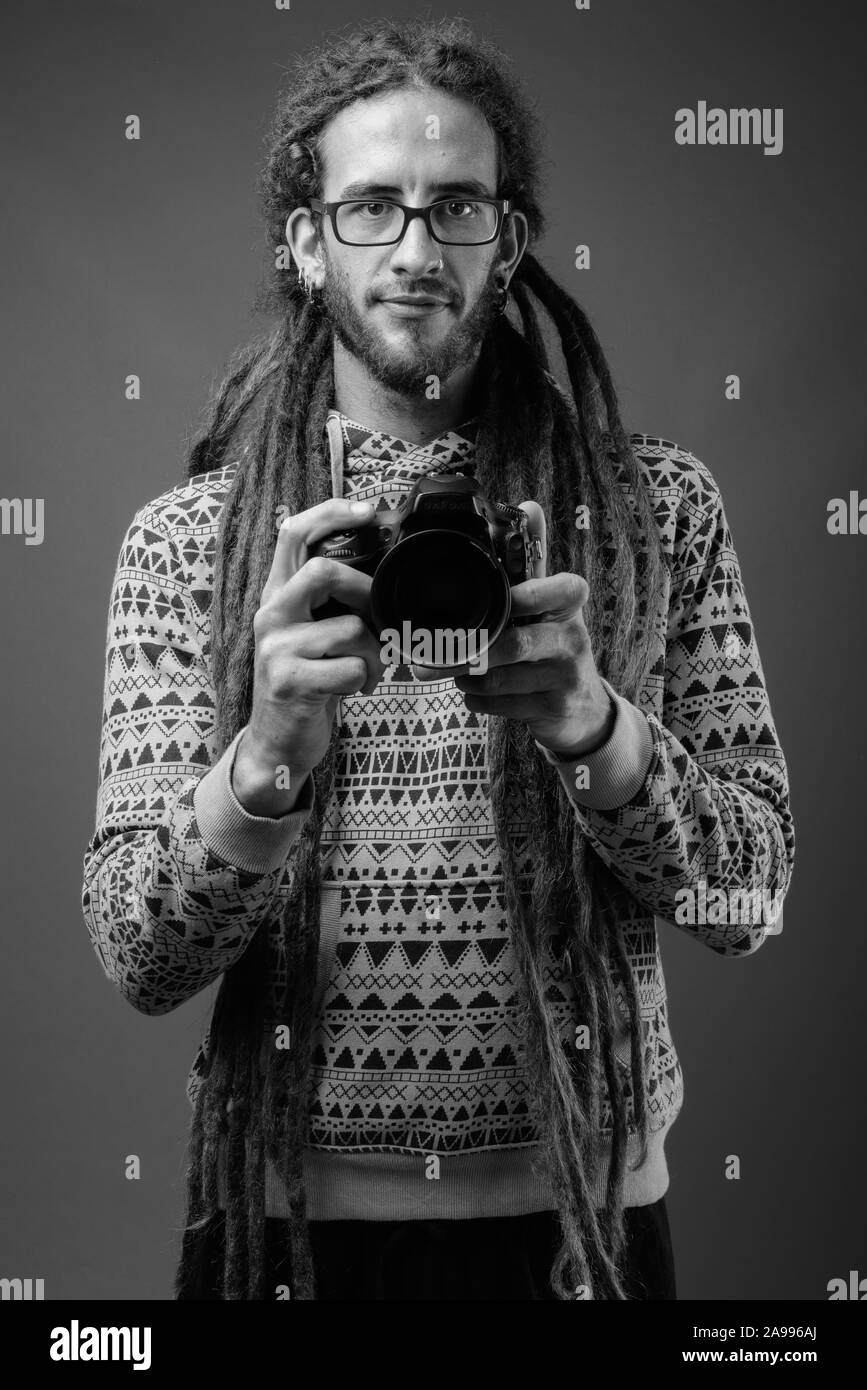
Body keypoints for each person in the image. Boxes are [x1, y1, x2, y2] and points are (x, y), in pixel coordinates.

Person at [81, 16, 795, 1301]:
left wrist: (601, 736)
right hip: (279, 1223)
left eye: (454, 206)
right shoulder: (193, 545)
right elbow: (140, 958)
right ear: (307, 242)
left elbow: (752, 897)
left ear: (508, 242)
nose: (413, 249)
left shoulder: (654, 510)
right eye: (371, 209)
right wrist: (263, 769)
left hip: (582, 1227)